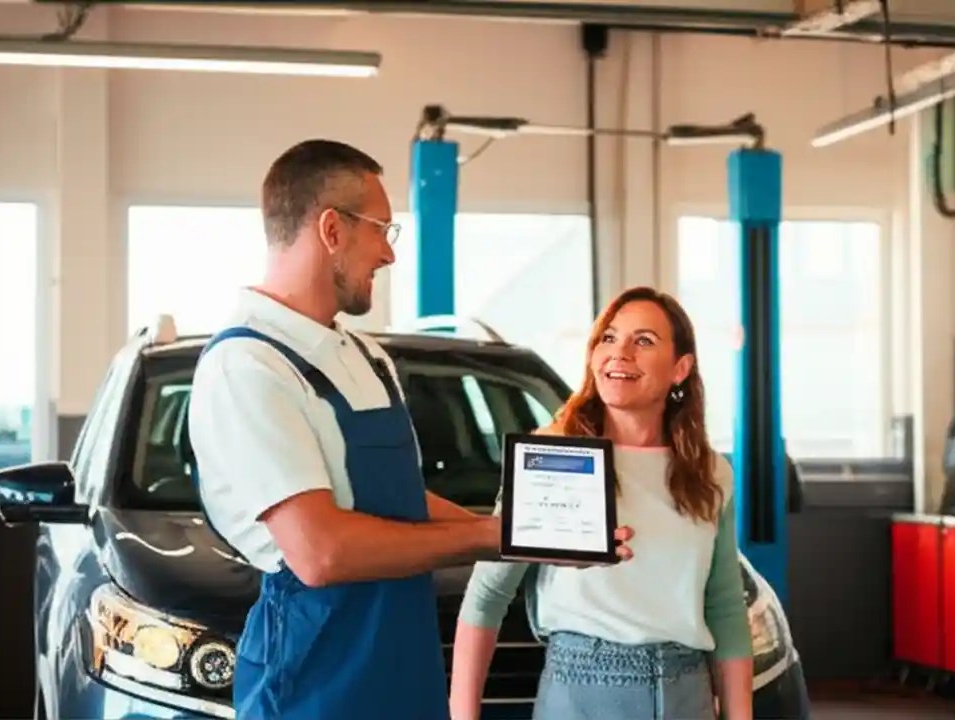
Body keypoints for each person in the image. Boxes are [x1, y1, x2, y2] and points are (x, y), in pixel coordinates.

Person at [186, 139, 619, 720]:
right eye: (382, 231)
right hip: (315, 674)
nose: (389, 256)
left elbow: (395, 500)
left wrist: (534, 535)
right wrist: (492, 539)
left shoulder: (365, 356)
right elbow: (320, 553)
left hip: (402, 658)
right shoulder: (249, 367)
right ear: (332, 230)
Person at [449, 286, 754, 720]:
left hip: (687, 693)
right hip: (580, 692)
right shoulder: (551, 456)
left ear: (680, 368)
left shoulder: (710, 473)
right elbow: (487, 595)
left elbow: (724, 606)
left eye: (643, 341)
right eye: (608, 338)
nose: (620, 353)